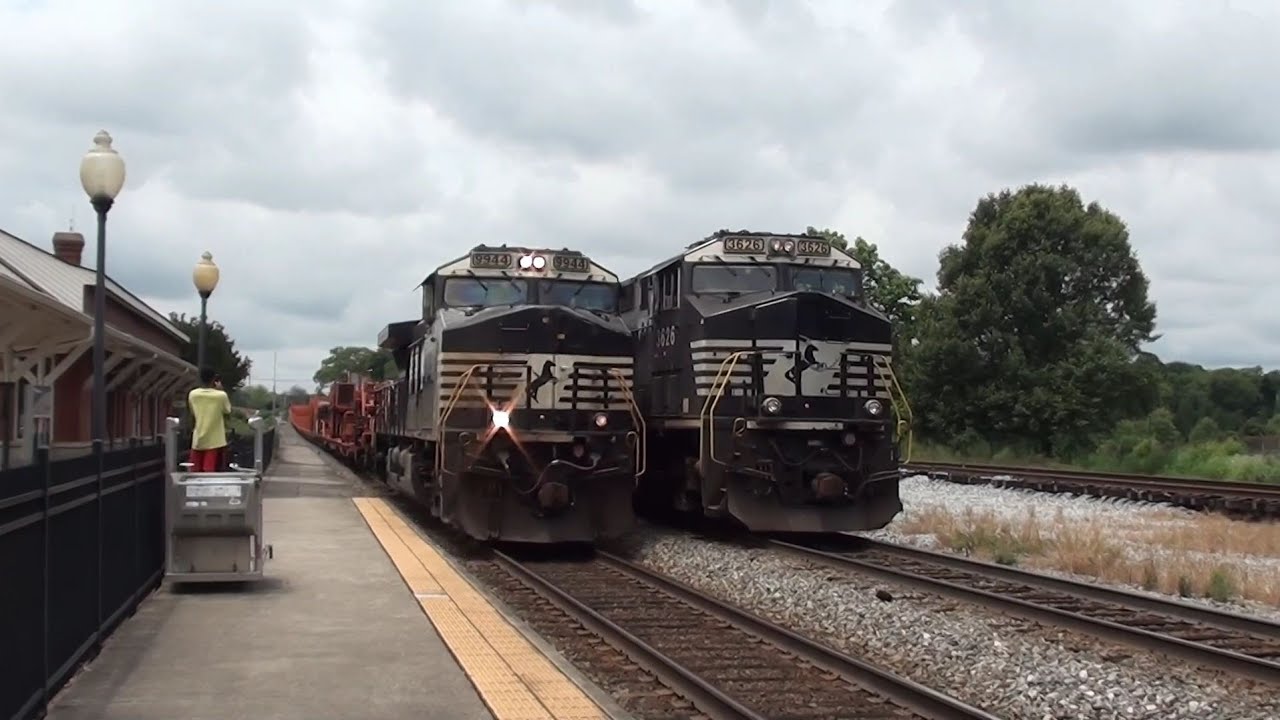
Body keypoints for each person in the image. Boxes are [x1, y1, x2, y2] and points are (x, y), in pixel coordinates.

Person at [187, 368, 231, 472]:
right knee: (210, 470)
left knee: (195, 469)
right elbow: (227, 410)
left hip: (198, 438)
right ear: (214, 380)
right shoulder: (221, 396)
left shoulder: (193, 394)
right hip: (215, 439)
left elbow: (193, 412)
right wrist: (220, 390)